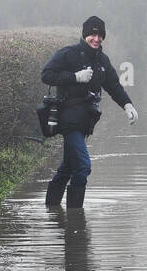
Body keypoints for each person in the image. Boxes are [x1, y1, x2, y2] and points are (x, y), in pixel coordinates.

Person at [39, 15, 138, 208]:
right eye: (92, 35)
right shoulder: (69, 54)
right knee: (83, 167)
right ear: (85, 35)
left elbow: (114, 86)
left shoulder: (102, 60)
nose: (96, 39)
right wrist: (75, 77)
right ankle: (75, 218)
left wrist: (128, 105)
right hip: (68, 119)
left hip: (85, 121)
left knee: (68, 166)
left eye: (100, 35)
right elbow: (46, 75)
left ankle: (52, 210)